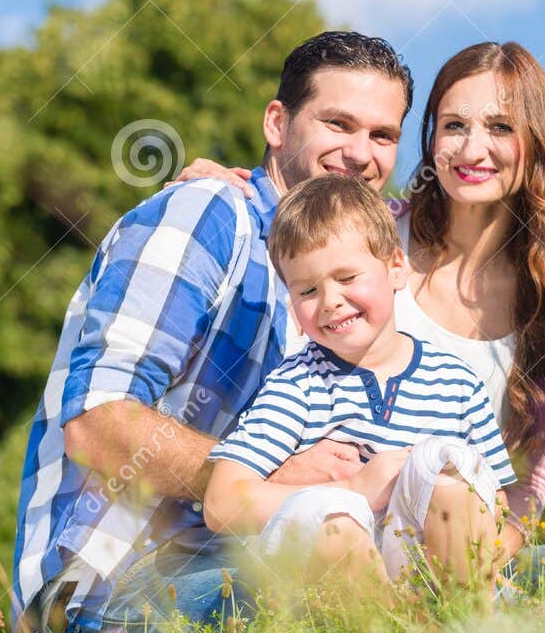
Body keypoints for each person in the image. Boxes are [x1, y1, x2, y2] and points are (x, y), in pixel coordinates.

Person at [10, 31, 413, 633]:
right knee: (357, 618)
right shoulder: (208, 215)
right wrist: (259, 477)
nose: (361, 152)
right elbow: (97, 424)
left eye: (382, 134)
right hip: (118, 589)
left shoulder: (344, 283)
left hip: (249, 561)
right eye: (338, 123)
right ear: (277, 123)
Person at [179, 41, 545, 591]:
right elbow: (295, 219)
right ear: (432, 136)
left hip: (464, 544)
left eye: (501, 127)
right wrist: (226, 189)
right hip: (337, 529)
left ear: (536, 144)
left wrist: (471, 562)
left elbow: (527, 490)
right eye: (454, 125)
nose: (472, 148)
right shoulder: (370, 234)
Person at [204, 173, 517, 599]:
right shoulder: (298, 383)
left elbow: (497, 509)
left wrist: (484, 540)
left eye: (347, 278)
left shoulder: (457, 382)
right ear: (293, 306)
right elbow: (222, 504)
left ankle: (461, 629)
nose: (330, 300)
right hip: (333, 591)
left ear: (395, 268)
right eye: (308, 289)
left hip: (429, 572)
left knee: (446, 464)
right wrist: (355, 489)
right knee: (333, 515)